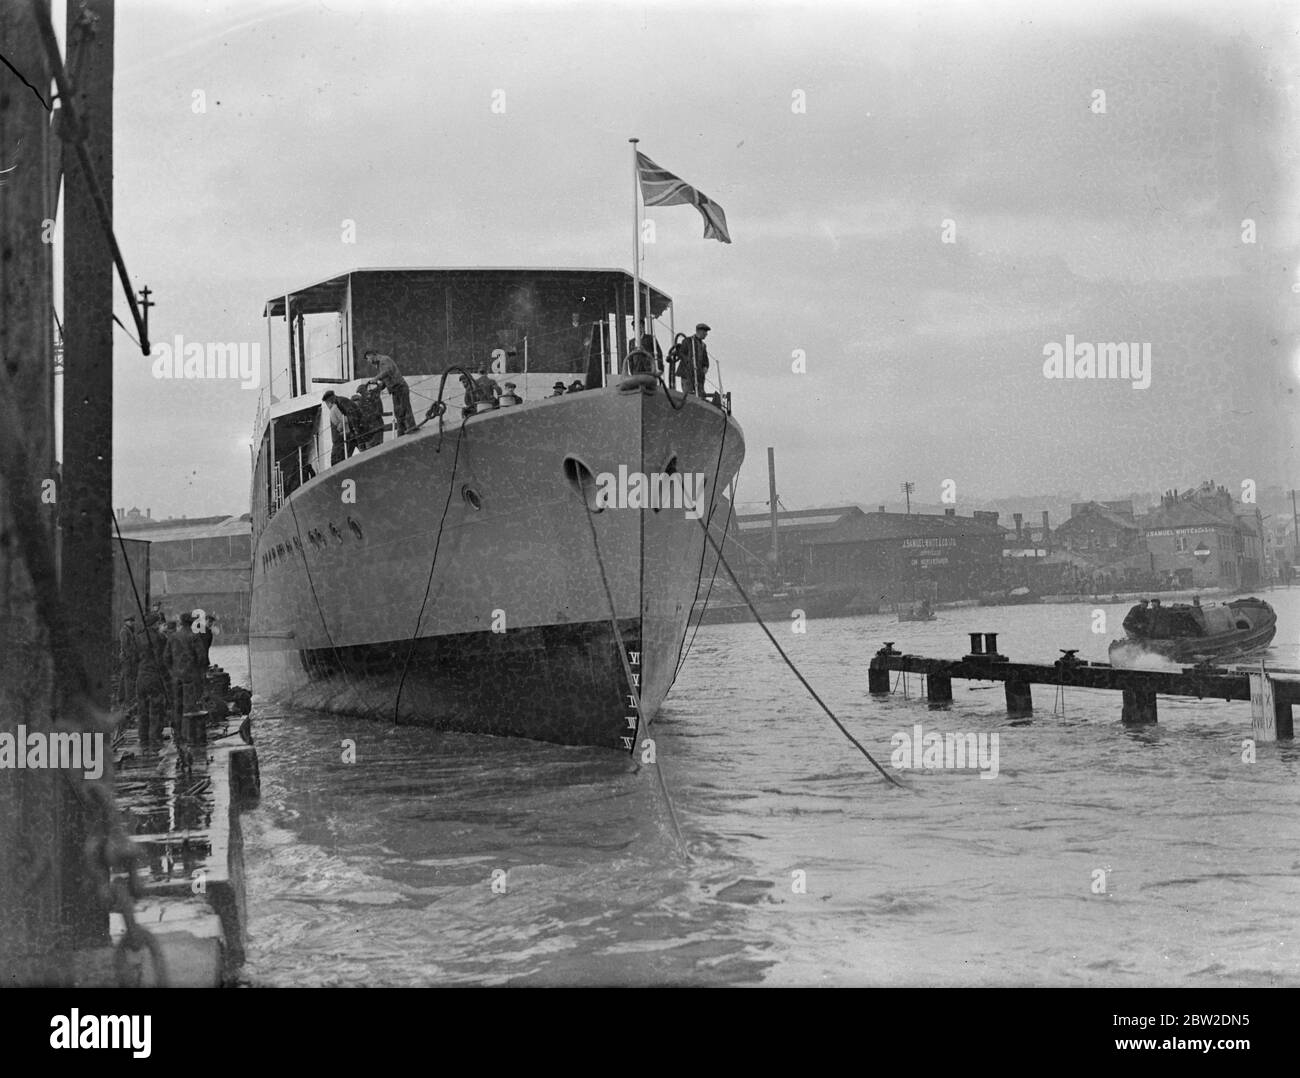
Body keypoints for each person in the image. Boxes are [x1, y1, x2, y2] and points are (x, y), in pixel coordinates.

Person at [135, 612, 169, 743]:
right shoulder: (160, 638)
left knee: (142, 707)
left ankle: (143, 736)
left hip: (141, 675)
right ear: (155, 624)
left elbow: (133, 657)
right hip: (154, 675)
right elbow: (165, 658)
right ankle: (155, 736)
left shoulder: (137, 637)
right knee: (156, 706)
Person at [364, 349, 415, 435]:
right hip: (395, 389)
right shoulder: (379, 365)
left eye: (368, 358)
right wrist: (377, 389)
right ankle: (402, 430)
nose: (368, 361)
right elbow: (385, 380)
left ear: (372, 355)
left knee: (405, 408)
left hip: (400, 387)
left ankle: (411, 427)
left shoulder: (384, 360)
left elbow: (387, 371)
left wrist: (376, 378)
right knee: (398, 411)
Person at [676, 323, 711, 395]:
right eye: (705, 332)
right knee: (688, 395)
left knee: (700, 395)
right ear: (699, 331)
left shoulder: (703, 345)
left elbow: (705, 360)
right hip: (687, 374)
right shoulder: (687, 341)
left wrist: (705, 367)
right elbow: (681, 354)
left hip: (699, 375)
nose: (706, 334)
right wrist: (689, 363)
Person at [322, 390, 351, 465]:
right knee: (337, 460)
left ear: (328, 402)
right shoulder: (334, 408)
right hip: (338, 439)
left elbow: (344, 419)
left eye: (326, 403)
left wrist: (340, 425)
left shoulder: (334, 408)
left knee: (336, 461)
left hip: (340, 438)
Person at [352, 383, 385, 449]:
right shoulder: (374, 397)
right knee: (377, 449)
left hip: (371, 430)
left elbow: (378, 412)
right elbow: (380, 412)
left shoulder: (364, 401)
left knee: (372, 450)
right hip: (374, 429)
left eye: (361, 392)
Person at [118, 616, 138, 708]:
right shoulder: (124, 631)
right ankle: (128, 701)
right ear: (126, 621)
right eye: (131, 621)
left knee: (124, 678)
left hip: (126, 658)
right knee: (128, 679)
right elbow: (125, 646)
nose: (133, 623)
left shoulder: (128, 630)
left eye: (133, 621)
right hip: (127, 658)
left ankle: (121, 698)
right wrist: (131, 657)